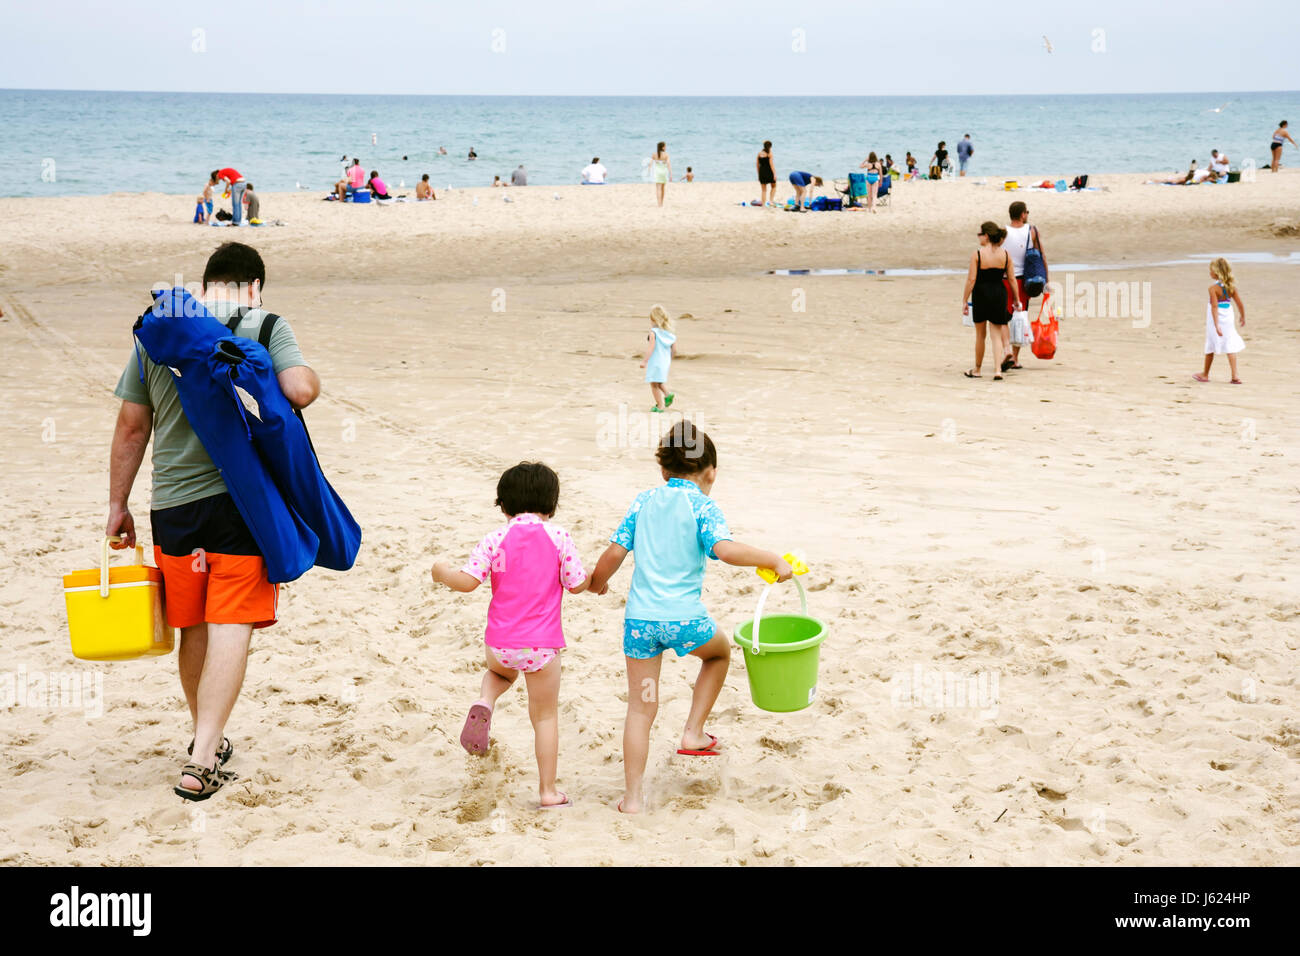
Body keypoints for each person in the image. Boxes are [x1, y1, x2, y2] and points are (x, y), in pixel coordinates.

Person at [108, 241, 321, 800]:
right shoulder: (265, 323)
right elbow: (300, 390)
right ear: (254, 286)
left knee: (195, 625)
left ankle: (204, 737)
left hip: (173, 507)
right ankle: (204, 753)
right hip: (241, 505)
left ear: (204, 287)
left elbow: (133, 427)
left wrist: (117, 503)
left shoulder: (157, 334)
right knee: (232, 624)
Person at [588, 422, 792, 815]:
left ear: (663, 470)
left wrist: (598, 583)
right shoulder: (702, 504)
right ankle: (693, 731)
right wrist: (771, 558)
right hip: (684, 621)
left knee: (641, 707)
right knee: (718, 655)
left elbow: (614, 553)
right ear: (711, 472)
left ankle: (632, 799)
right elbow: (725, 550)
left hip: (641, 625)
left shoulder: (643, 501)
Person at [431, 462, 593, 809]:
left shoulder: (495, 539)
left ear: (503, 505)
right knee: (545, 717)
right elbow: (577, 585)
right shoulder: (559, 537)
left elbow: (468, 582)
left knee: (499, 673)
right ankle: (548, 792)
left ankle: (486, 700)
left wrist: (442, 572)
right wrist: (597, 578)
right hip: (542, 645)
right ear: (552, 504)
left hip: (500, 642)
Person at [961, 222, 1021, 380]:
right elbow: (1012, 280)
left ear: (987, 235)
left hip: (981, 294)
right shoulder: (1006, 255)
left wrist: (964, 300)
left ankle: (978, 369)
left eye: (980, 234)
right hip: (999, 294)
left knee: (980, 335)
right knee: (996, 334)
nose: (979, 237)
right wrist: (1016, 299)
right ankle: (997, 371)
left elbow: (971, 279)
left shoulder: (978, 254)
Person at [1003, 201, 1048, 370]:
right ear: (1022, 214)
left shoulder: (1003, 232)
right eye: (1026, 212)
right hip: (1023, 282)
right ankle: (1014, 358)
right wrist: (1046, 281)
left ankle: (1005, 350)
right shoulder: (1032, 231)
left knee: (1003, 319)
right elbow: (1042, 256)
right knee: (1019, 318)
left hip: (1004, 279)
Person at [1193, 258, 1246, 384]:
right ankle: (1235, 375)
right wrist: (1243, 316)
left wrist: (1216, 324)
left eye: (1211, 270)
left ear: (1216, 272)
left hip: (1216, 319)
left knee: (1210, 344)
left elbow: (1215, 307)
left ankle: (1205, 374)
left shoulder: (1213, 288)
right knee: (1229, 344)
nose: (1209, 272)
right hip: (1228, 316)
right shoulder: (1231, 287)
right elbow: (1239, 303)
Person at [640, 305, 677, 412]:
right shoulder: (670, 334)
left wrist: (644, 361)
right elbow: (674, 350)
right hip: (665, 362)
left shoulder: (653, 333)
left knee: (653, 384)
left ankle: (660, 406)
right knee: (659, 382)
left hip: (655, 362)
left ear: (653, 319)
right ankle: (667, 395)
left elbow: (651, 348)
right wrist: (669, 359)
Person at [757, 140, 776, 206]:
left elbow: (757, 165)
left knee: (763, 190)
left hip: (762, 173)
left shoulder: (759, 154)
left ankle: (763, 204)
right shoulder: (769, 154)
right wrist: (774, 174)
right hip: (769, 172)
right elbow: (771, 165)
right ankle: (771, 201)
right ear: (770, 146)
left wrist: (758, 174)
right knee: (773, 186)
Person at [652, 141, 671, 207]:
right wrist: (671, 174)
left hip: (657, 172)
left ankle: (659, 204)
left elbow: (651, 164)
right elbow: (668, 164)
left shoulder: (654, 154)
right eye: (665, 146)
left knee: (658, 189)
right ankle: (662, 203)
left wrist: (649, 172)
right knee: (663, 188)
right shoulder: (666, 154)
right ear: (662, 147)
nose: (666, 147)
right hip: (664, 172)